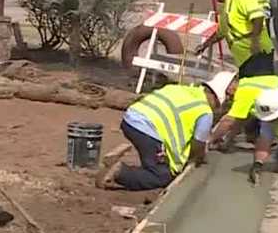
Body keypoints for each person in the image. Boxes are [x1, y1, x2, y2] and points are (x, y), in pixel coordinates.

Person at [95, 71, 236, 191]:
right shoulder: (204, 111)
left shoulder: (181, 89)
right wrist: (198, 158)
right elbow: (198, 143)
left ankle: (141, 165)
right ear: (218, 98)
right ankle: (119, 172)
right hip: (146, 129)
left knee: (154, 159)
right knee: (162, 175)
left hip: (130, 120)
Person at [195, 0, 274, 78]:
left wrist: (255, 42)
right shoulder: (227, 8)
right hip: (244, 58)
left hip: (257, 53)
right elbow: (221, 33)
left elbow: (258, 17)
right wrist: (205, 45)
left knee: (260, 88)